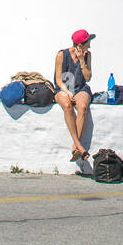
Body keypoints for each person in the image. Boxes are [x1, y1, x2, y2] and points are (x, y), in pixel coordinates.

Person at [52, 29, 93, 162]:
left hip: (80, 87)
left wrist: (82, 60)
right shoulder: (62, 55)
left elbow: (87, 78)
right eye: (87, 42)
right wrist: (67, 91)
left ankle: (76, 146)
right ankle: (80, 147)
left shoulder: (88, 55)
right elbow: (58, 79)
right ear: (80, 44)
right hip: (63, 88)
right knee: (67, 106)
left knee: (82, 107)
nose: (90, 44)